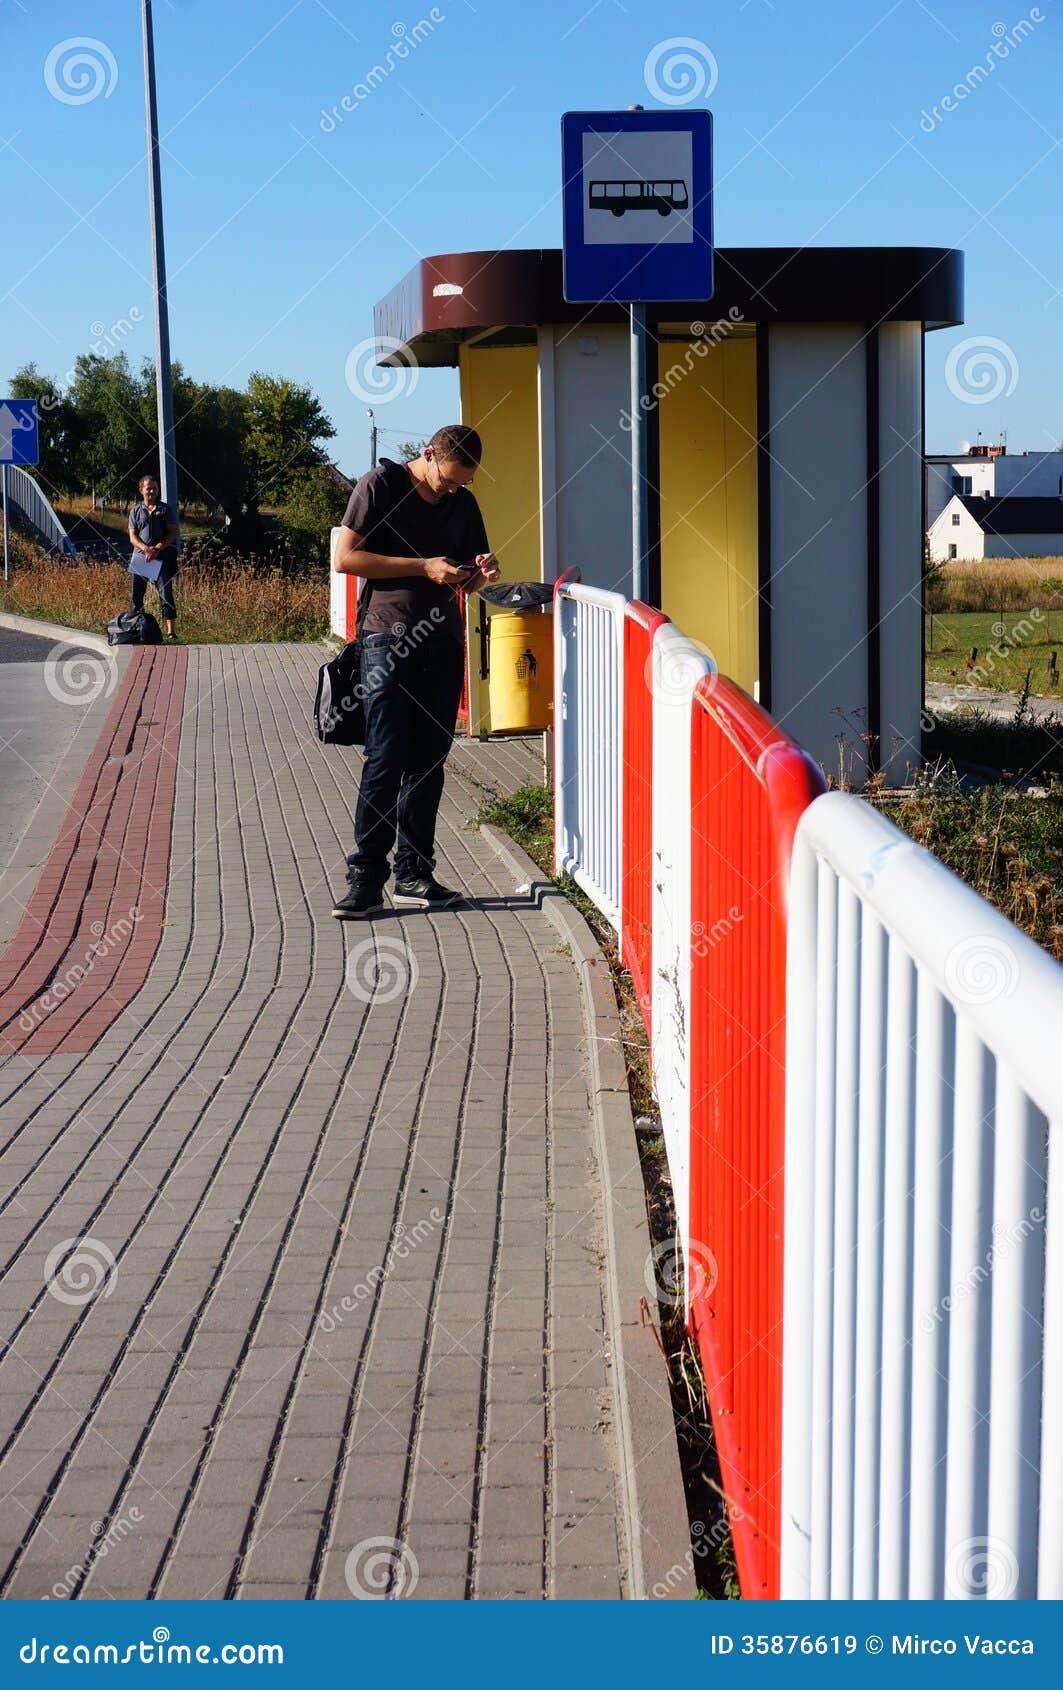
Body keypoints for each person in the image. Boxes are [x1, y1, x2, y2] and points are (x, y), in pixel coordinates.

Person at [331, 424, 501, 918]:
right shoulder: (380, 486)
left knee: (428, 762)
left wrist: (480, 573)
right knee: (385, 758)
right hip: (388, 636)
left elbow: (466, 583)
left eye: (462, 483)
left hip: (442, 642)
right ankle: (365, 880)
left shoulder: (463, 503)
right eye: (447, 480)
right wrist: (422, 566)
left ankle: (413, 873)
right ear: (428, 454)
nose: (452, 490)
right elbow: (346, 558)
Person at [128, 474, 179, 639]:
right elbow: (132, 536)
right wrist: (145, 548)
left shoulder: (165, 510)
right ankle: (136, 629)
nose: (152, 491)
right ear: (141, 490)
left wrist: (158, 548)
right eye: (148, 488)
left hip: (161, 557)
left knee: (165, 593)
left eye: (154, 488)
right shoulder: (135, 511)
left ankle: (171, 631)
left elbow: (172, 533)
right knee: (136, 595)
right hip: (140, 558)